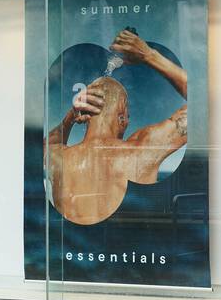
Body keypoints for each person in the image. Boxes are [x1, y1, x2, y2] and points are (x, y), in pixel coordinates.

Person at [45, 28, 189, 226]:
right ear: (122, 117)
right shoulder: (141, 150)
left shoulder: (59, 158)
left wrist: (69, 118)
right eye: (128, 115)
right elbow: (200, 105)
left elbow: (44, 146)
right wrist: (150, 55)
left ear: (86, 114)